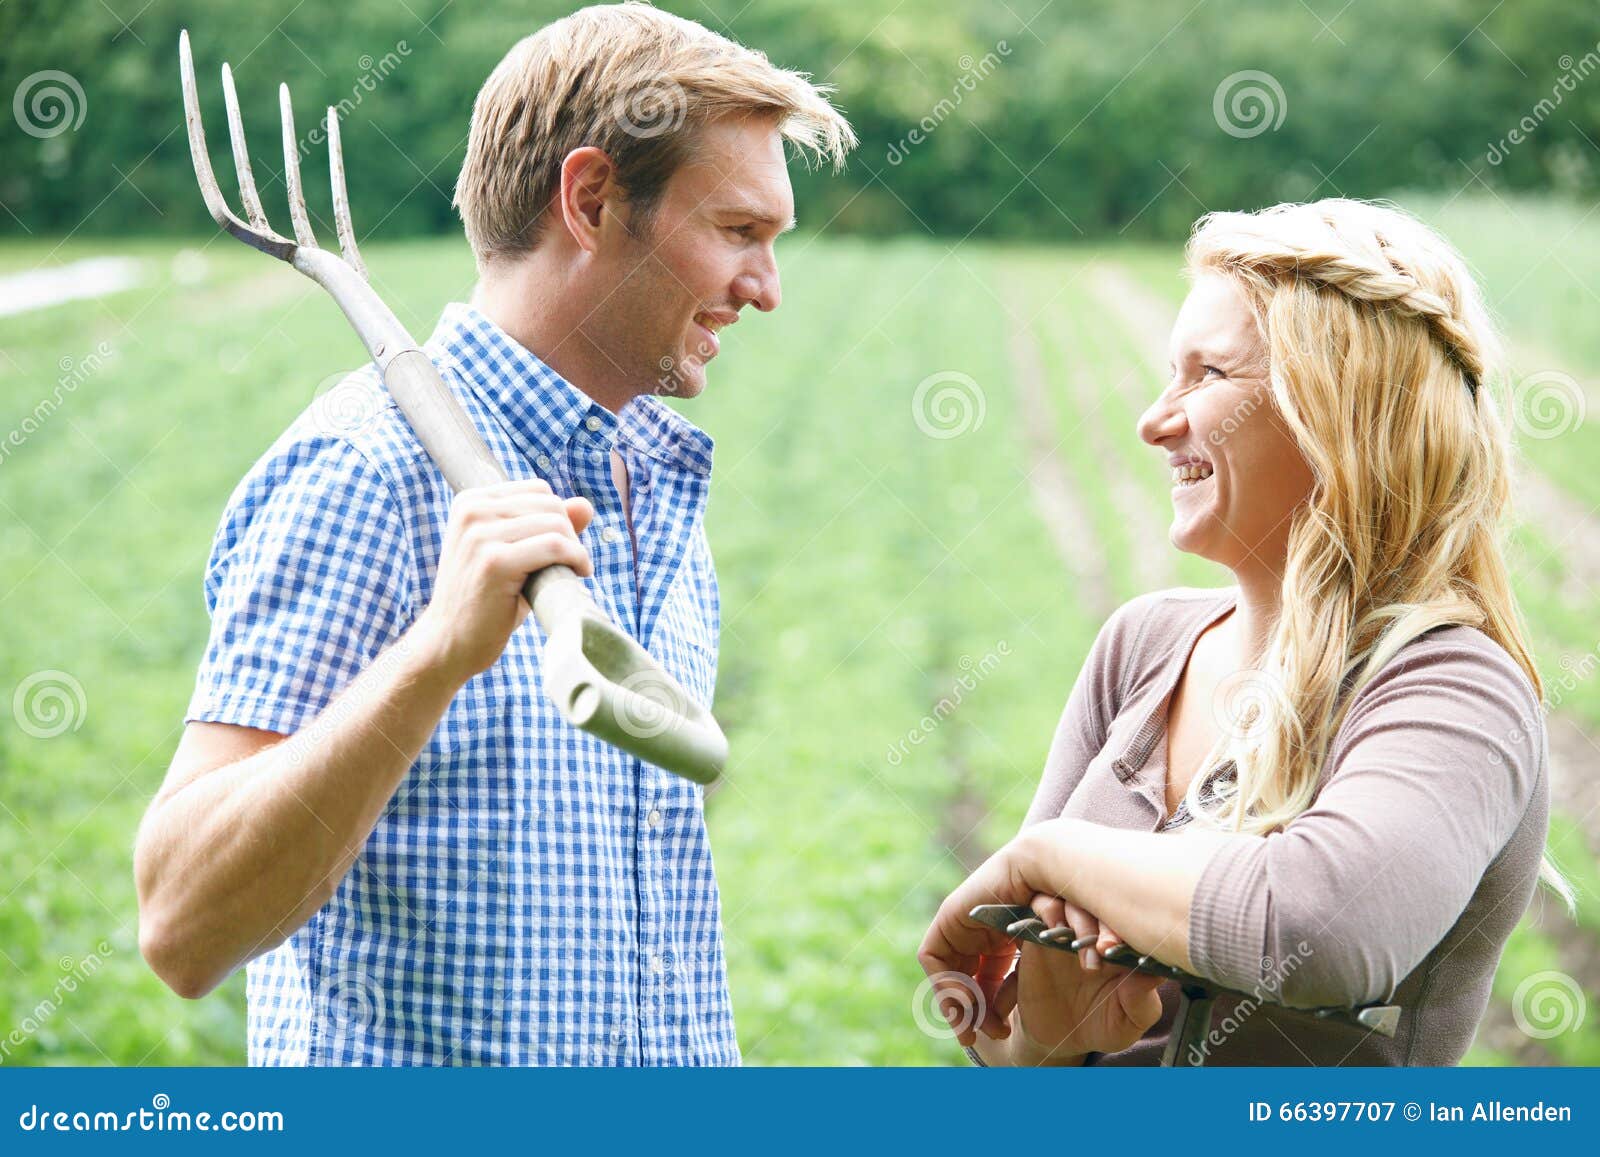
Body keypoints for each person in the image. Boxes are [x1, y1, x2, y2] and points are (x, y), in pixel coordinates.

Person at [134, 2, 854, 1065]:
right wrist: (435, 655)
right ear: (592, 198)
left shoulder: (647, 480)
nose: (766, 289)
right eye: (738, 232)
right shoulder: (364, 473)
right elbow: (184, 922)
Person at [918, 198, 1572, 1066]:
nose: (1156, 420)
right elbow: (1017, 1040)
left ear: (1336, 410)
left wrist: (1053, 855)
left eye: (1207, 375)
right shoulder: (1142, 647)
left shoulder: (1454, 684)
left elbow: (1320, 928)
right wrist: (1054, 1036)